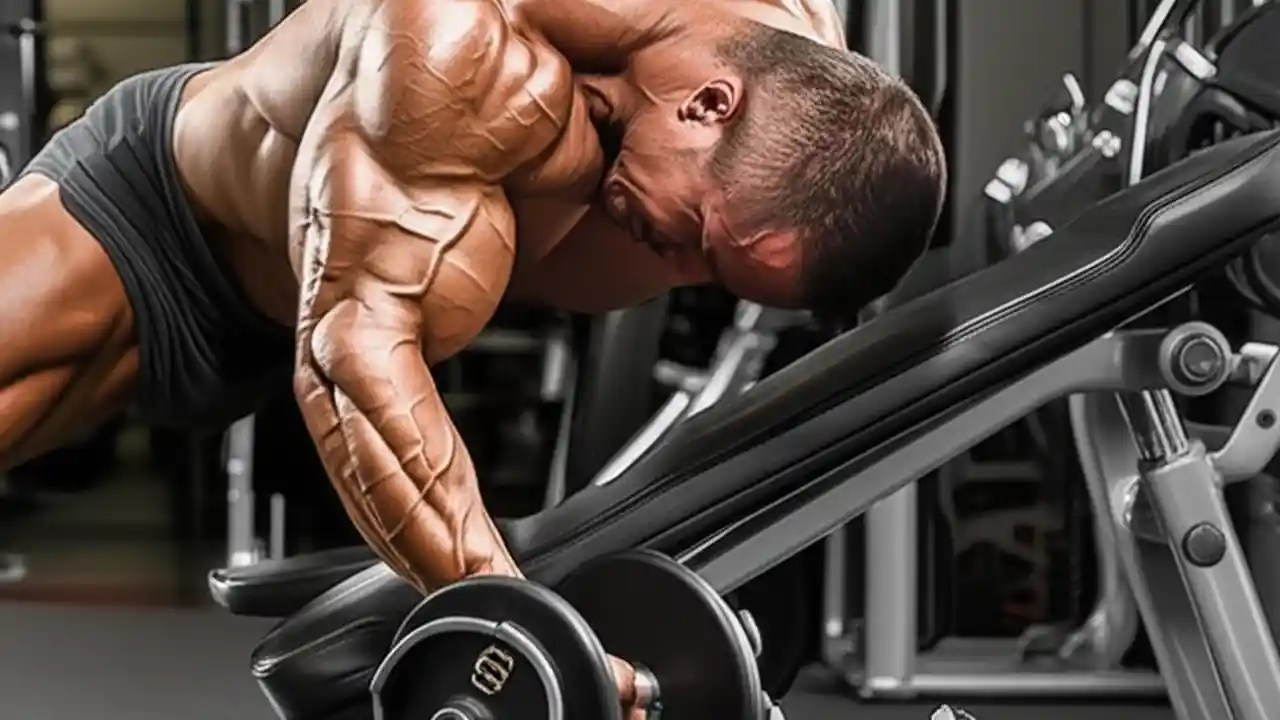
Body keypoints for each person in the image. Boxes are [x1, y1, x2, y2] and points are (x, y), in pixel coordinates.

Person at [0, 0, 945, 711]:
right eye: (692, 239)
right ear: (706, 103)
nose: (680, 272)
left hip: (321, 314)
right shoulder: (461, 47)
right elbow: (350, 360)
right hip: (153, 227)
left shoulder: (804, 77)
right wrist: (517, 628)